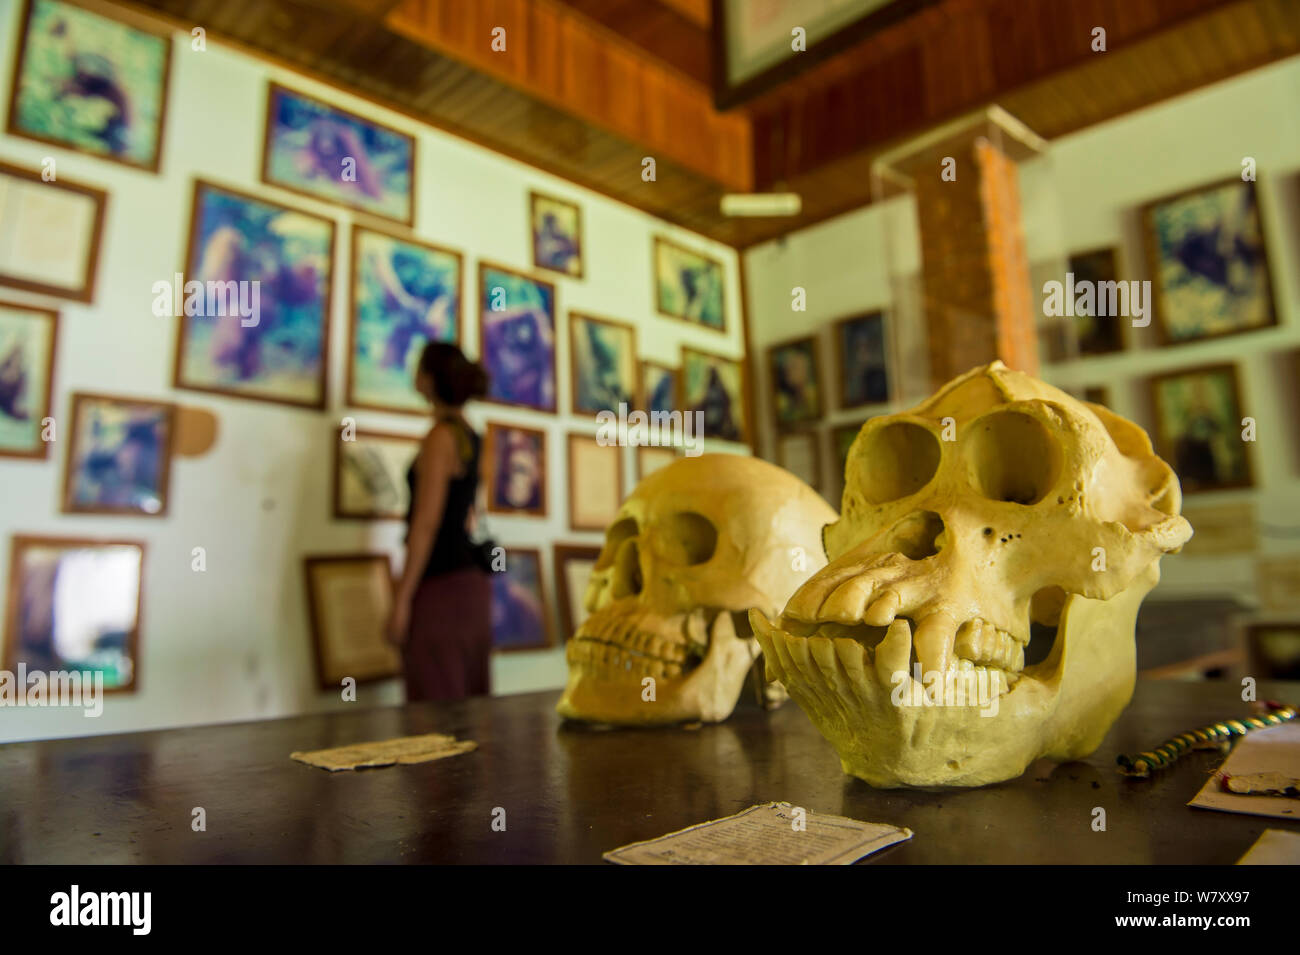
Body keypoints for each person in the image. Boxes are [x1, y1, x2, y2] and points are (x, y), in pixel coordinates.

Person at [387, 342, 492, 701]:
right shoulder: (473, 437)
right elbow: (468, 514)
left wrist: (401, 600)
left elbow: (426, 524)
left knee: (433, 718)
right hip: (471, 591)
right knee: (467, 716)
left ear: (430, 380)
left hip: (441, 591)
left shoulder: (440, 437)